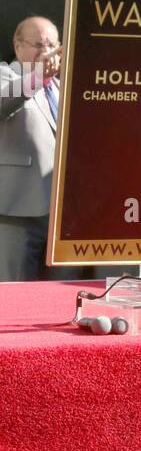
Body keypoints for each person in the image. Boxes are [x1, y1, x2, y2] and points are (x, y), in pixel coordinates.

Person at [0, 17, 62, 281]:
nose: (46, 52)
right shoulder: (6, 75)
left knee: (57, 296)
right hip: (17, 209)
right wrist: (38, 77)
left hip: (59, 213)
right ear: (17, 46)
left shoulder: (61, 86)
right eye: (38, 44)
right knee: (13, 291)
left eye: (51, 45)